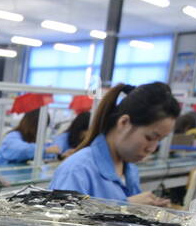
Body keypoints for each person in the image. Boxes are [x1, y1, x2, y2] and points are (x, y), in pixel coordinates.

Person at [50, 82, 179, 206]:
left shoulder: (130, 170)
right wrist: (124, 207)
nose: (152, 148)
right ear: (124, 123)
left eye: (159, 141)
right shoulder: (77, 170)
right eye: (150, 137)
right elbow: (60, 222)